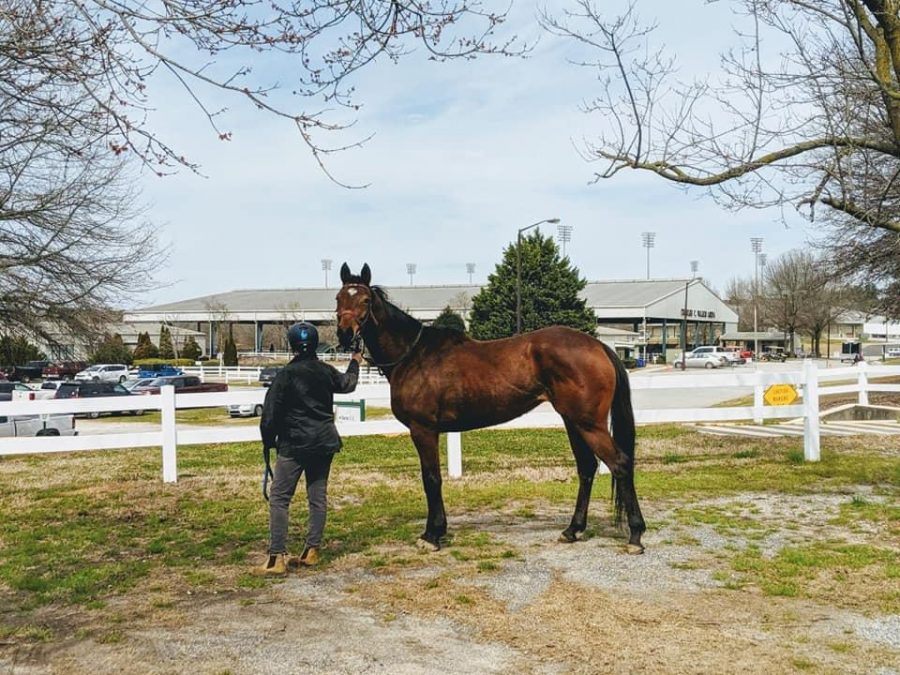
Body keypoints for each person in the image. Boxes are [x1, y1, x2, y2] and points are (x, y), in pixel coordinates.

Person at [254, 321, 363, 576]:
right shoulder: (325, 371)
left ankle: (276, 557)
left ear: (292, 345)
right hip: (324, 442)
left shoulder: (285, 376)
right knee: (317, 497)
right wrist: (355, 360)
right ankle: (311, 550)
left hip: (294, 444)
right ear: (315, 343)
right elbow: (348, 383)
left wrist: (268, 441)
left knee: (280, 498)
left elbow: (269, 415)